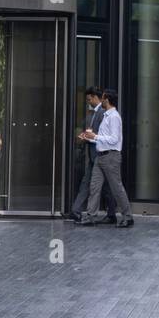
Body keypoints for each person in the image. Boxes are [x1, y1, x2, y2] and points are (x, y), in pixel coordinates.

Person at [76, 90, 134, 228]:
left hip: (110, 157)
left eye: (102, 98)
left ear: (107, 100)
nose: (100, 101)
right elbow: (104, 139)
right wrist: (90, 137)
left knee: (117, 188)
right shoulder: (107, 116)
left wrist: (95, 137)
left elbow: (114, 139)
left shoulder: (114, 117)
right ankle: (91, 216)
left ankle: (128, 217)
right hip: (100, 157)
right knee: (94, 187)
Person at [71, 87, 116, 221]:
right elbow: (90, 130)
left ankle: (111, 213)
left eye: (89, 99)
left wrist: (90, 137)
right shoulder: (91, 114)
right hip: (93, 156)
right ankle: (76, 210)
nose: (88, 102)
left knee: (107, 186)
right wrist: (84, 136)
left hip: (101, 155)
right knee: (86, 183)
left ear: (96, 98)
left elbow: (104, 135)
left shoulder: (104, 113)